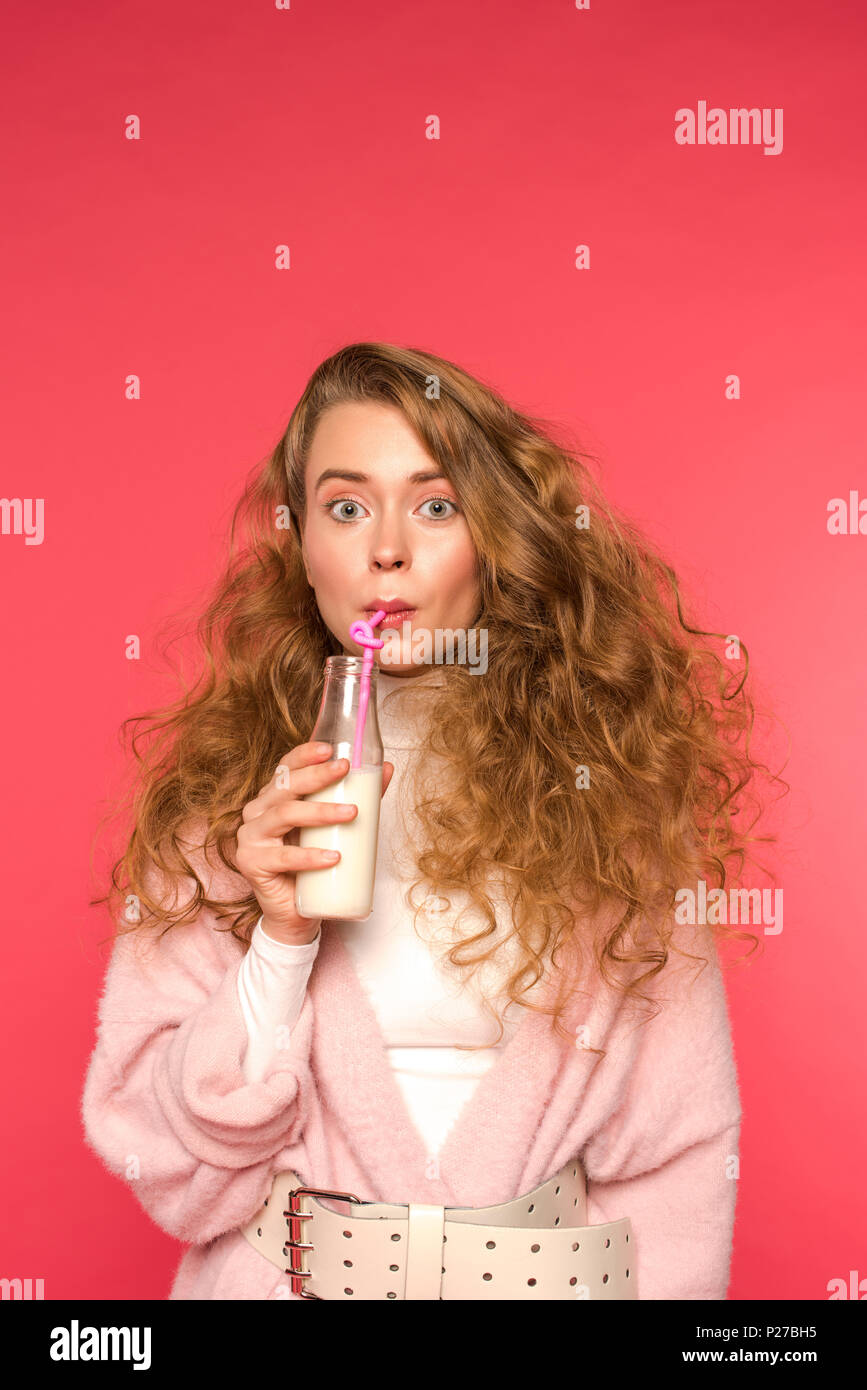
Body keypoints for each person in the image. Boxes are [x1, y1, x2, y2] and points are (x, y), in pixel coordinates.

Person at [81, 341, 776, 1300]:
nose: (387, 547)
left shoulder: (605, 800)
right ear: (303, 543)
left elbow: (681, 1157)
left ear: (493, 534)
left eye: (436, 503)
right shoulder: (222, 814)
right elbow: (165, 1169)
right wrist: (279, 941)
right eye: (346, 505)